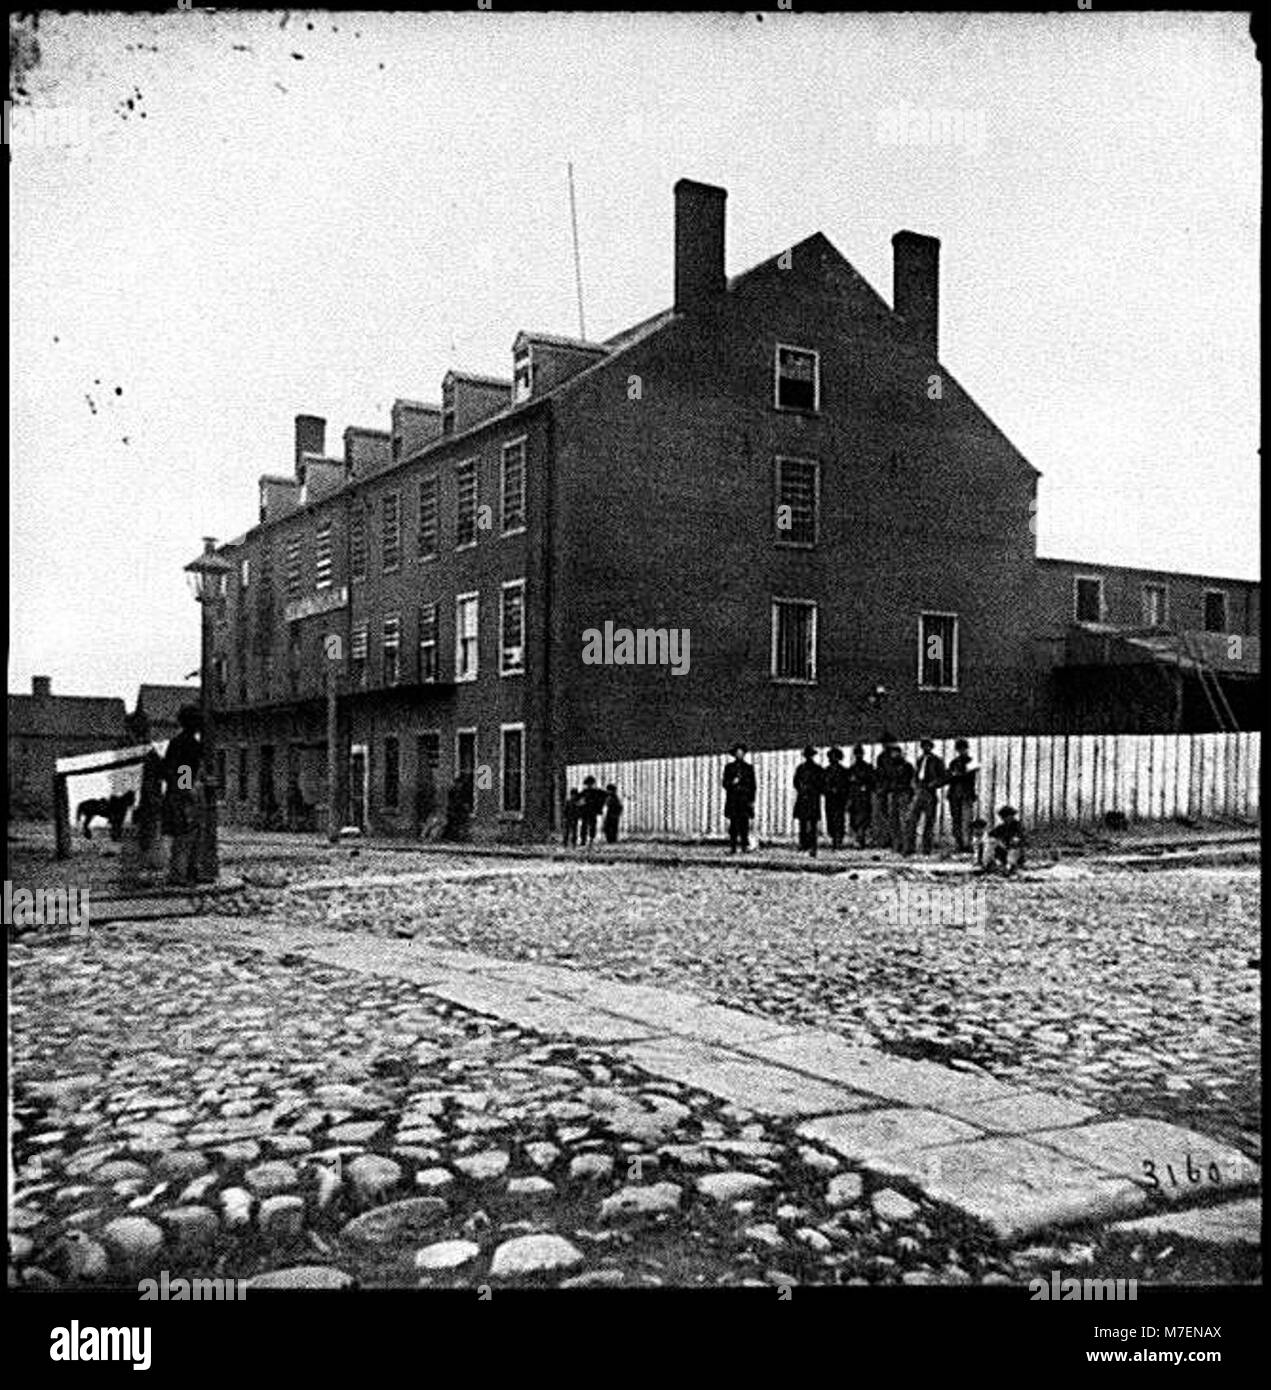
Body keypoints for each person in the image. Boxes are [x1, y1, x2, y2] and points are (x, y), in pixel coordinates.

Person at [161, 704, 204, 885]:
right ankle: (181, 875)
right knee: (185, 835)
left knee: (182, 836)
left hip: (174, 794)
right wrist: (187, 789)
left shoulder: (176, 742)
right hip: (181, 796)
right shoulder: (189, 744)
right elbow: (183, 768)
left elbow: (167, 769)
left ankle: (182, 873)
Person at [902, 738, 947, 856]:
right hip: (919, 792)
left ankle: (926, 849)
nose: (925, 748)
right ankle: (909, 848)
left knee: (929, 822)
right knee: (911, 820)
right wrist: (915, 786)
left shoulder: (937, 761)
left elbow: (943, 778)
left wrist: (933, 784)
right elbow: (915, 776)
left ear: (931, 747)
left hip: (930, 793)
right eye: (923, 746)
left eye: (928, 746)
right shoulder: (919, 760)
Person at [945, 738, 978, 853]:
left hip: (966, 795)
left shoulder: (972, 761)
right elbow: (948, 777)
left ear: (967, 749)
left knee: (967, 820)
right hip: (954, 795)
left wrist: (956, 775)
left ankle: (967, 844)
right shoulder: (953, 762)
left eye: (963, 749)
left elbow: (968, 777)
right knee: (956, 820)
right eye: (959, 749)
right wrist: (956, 775)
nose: (961, 751)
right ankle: (958, 844)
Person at [722, 743, 756, 853]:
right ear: (734, 754)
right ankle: (732, 847)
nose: (739, 755)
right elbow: (725, 783)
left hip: (744, 800)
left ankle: (744, 846)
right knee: (733, 825)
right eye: (737, 753)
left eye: (741, 753)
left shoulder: (749, 768)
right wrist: (732, 782)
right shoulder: (729, 768)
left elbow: (753, 786)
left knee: (744, 824)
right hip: (733, 800)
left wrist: (751, 800)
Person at [793, 745, 824, 856]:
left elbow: (821, 784)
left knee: (813, 823)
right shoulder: (800, 768)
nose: (809, 757)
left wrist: (812, 789)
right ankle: (803, 844)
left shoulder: (817, 769)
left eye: (810, 755)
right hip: (803, 798)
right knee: (803, 822)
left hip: (812, 798)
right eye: (807, 755)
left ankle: (812, 845)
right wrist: (802, 789)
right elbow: (796, 782)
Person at [845, 744, 875, 849]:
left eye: (860, 753)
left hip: (864, 798)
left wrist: (865, 787)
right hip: (854, 798)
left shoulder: (868, 768)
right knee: (854, 821)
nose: (858, 755)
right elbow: (848, 785)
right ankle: (858, 839)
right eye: (856, 753)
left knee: (863, 820)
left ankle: (861, 839)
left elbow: (872, 782)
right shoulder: (851, 769)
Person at [822, 747, 850, 850]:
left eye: (835, 756)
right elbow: (822, 785)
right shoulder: (826, 771)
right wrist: (829, 790)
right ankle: (834, 838)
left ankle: (838, 841)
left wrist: (839, 790)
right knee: (830, 819)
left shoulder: (843, 771)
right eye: (831, 757)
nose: (833, 759)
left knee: (839, 819)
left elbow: (847, 786)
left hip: (840, 799)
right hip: (830, 799)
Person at [988, 805, 1026, 875]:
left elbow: (1021, 838)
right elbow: (991, 835)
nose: (1005, 818)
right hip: (1004, 852)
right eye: (1003, 816)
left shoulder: (1018, 826)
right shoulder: (1001, 827)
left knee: (1014, 845)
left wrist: (1015, 840)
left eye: (1007, 816)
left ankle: (1010, 867)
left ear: (1012, 816)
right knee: (992, 842)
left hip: (1015, 853)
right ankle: (992, 863)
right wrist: (998, 841)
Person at [579, 775, 606, 845]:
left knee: (591, 826)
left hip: (591, 811)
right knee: (585, 826)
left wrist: (599, 807)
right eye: (588, 784)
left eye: (590, 783)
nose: (589, 785)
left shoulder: (596, 792)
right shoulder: (585, 792)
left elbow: (604, 796)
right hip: (586, 811)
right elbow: (578, 799)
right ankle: (584, 840)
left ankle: (590, 839)